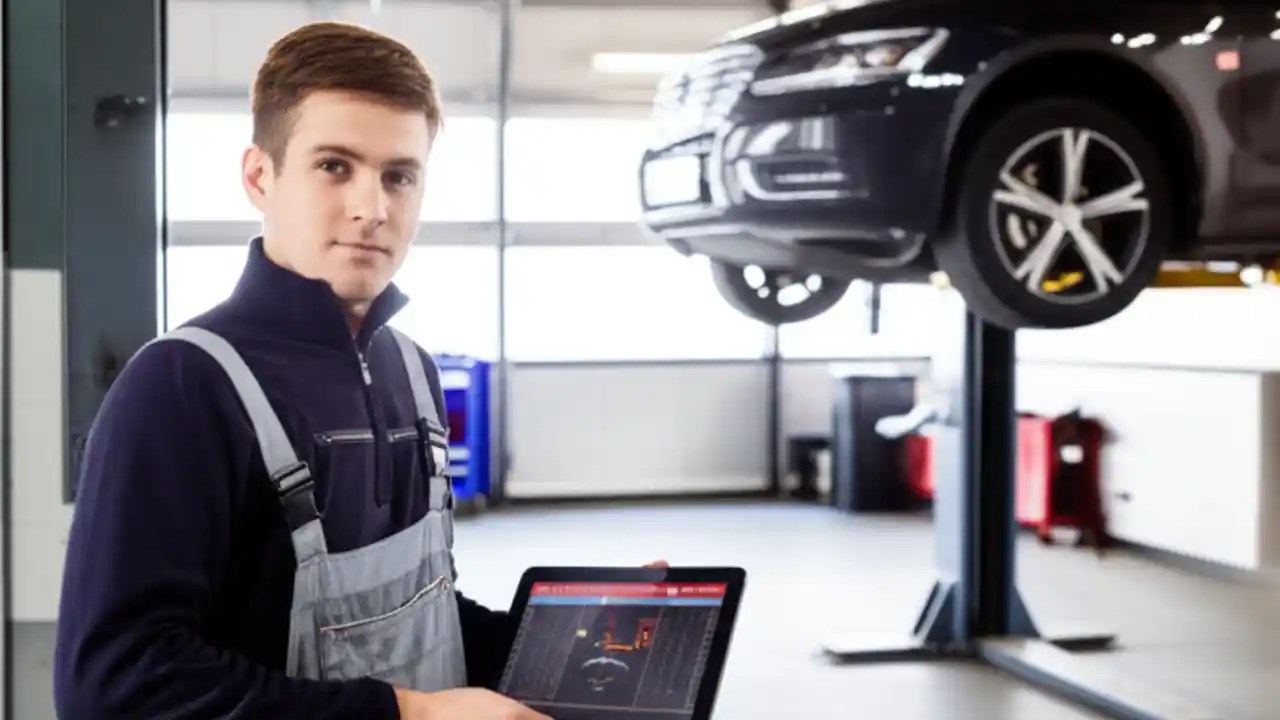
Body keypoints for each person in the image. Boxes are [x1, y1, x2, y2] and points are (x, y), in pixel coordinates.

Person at [53, 21, 662, 720]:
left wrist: (584, 635)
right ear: (260, 175)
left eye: (399, 176)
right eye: (334, 166)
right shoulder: (181, 389)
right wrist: (412, 714)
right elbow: (114, 686)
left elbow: (416, 622)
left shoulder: (412, 374)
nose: (372, 208)